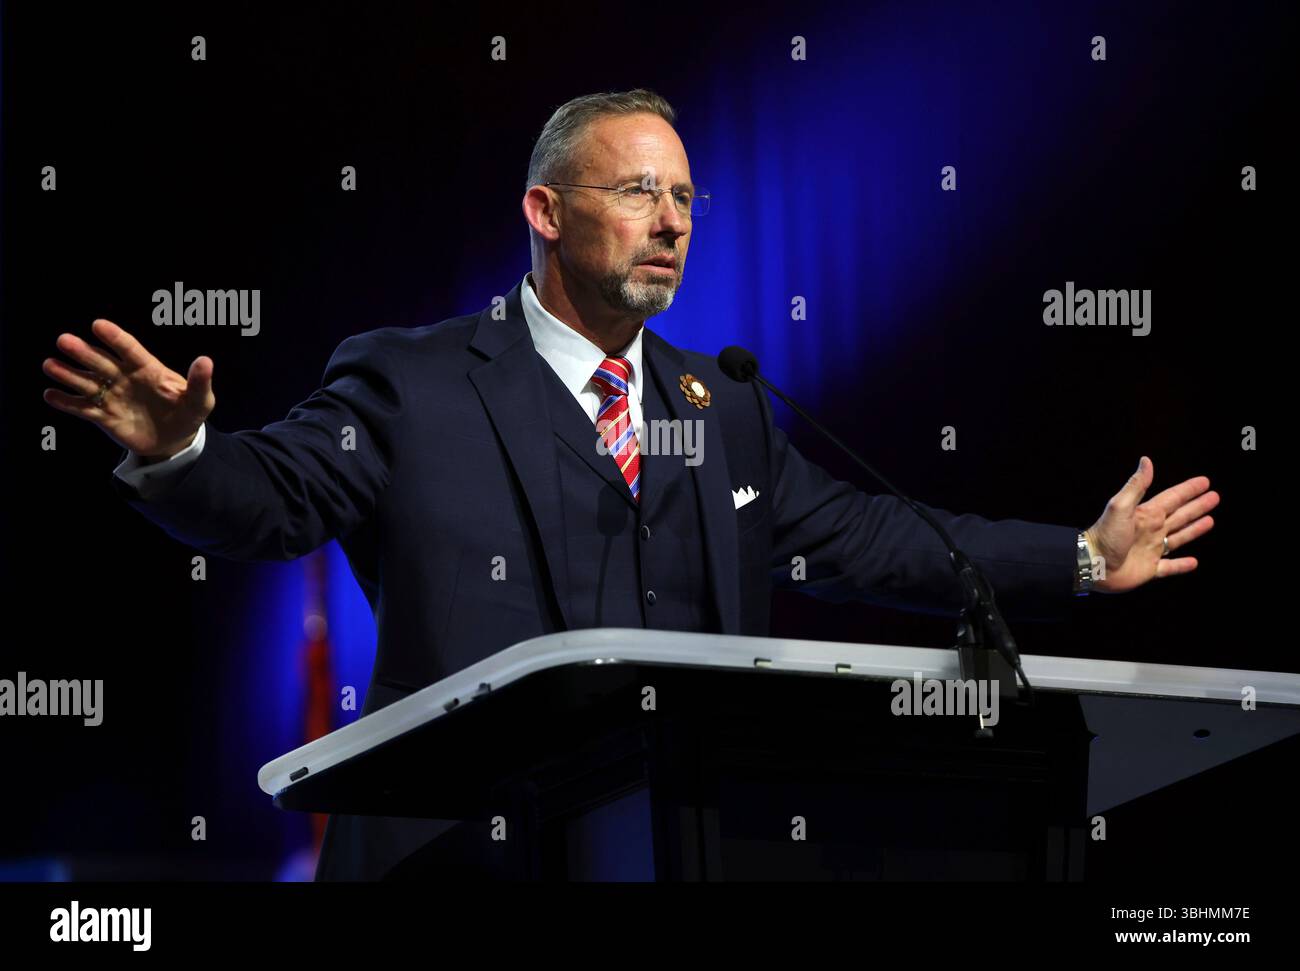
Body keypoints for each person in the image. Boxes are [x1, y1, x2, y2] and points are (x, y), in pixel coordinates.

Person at [40, 89, 1219, 880]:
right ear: (545, 212)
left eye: (685, 198)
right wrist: (182, 451)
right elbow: (274, 497)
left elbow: (873, 536)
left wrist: (1078, 556)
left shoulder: (723, 404)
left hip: (672, 848)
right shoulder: (413, 379)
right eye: (638, 192)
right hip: (449, 857)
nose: (671, 223)